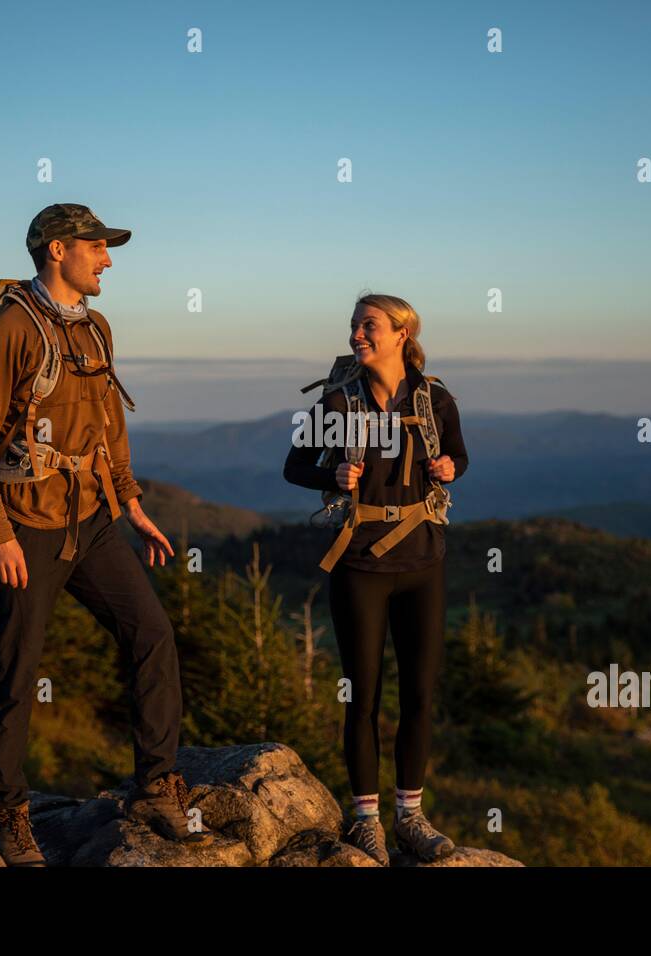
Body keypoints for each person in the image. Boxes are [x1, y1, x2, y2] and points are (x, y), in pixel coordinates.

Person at [0, 203, 210, 865]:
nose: (108, 259)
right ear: (59, 250)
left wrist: (131, 501)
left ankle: (156, 784)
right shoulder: (13, 328)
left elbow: (107, 426)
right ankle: (8, 811)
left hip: (90, 517)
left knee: (150, 633)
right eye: (97, 247)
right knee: (19, 667)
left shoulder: (95, 328)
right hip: (26, 524)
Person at [283, 293, 469, 865]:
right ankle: (368, 822)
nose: (356, 335)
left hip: (422, 561)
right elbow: (294, 467)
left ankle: (409, 817)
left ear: (400, 333)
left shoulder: (436, 399)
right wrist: (332, 472)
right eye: (354, 326)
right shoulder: (338, 401)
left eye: (369, 326)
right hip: (360, 563)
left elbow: (461, 456)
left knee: (419, 694)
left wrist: (449, 467)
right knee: (361, 696)